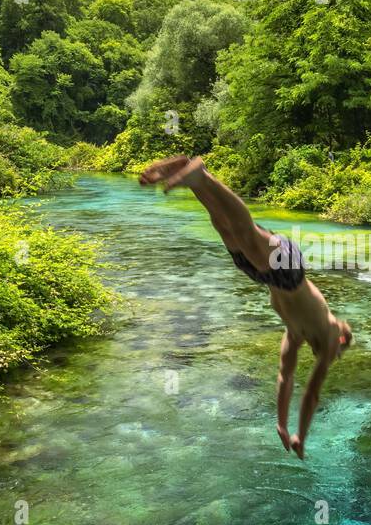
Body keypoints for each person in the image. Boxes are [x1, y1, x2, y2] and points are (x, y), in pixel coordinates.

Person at [140, 156, 352, 459]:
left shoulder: (294, 335)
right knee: (246, 232)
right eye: (339, 354)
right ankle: (201, 174)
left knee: (224, 228)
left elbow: (285, 377)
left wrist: (280, 424)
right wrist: (300, 436)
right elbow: (312, 393)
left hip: (264, 276)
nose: (332, 358)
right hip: (290, 271)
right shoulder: (332, 334)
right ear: (342, 340)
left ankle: (190, 178)